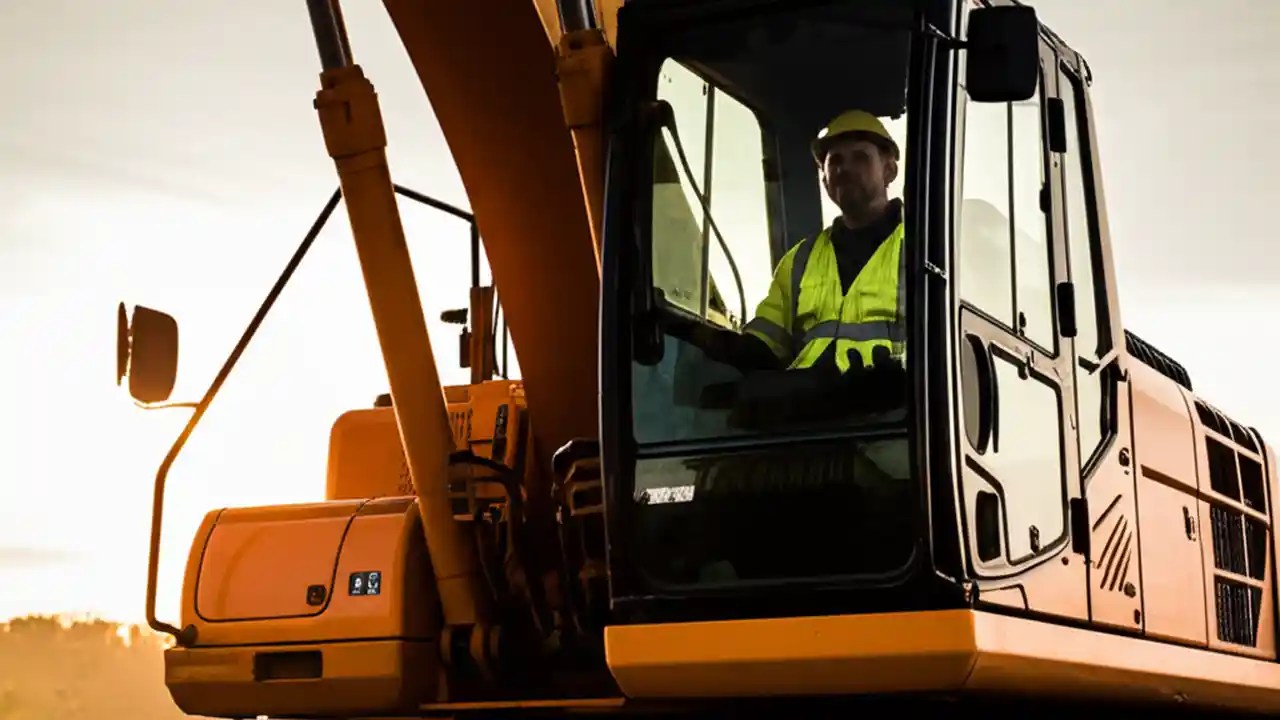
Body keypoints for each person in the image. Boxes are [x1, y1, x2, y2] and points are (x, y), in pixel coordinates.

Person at [680, 108, 908, 379]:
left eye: (860, 158)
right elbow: (763, 348)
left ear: (889, 170)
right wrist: (688, 332)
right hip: (806, 413)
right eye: (834, 161)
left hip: (896, 412)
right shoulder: (800, 259)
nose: (844, 169)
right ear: (823, 178)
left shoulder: (921, 249)